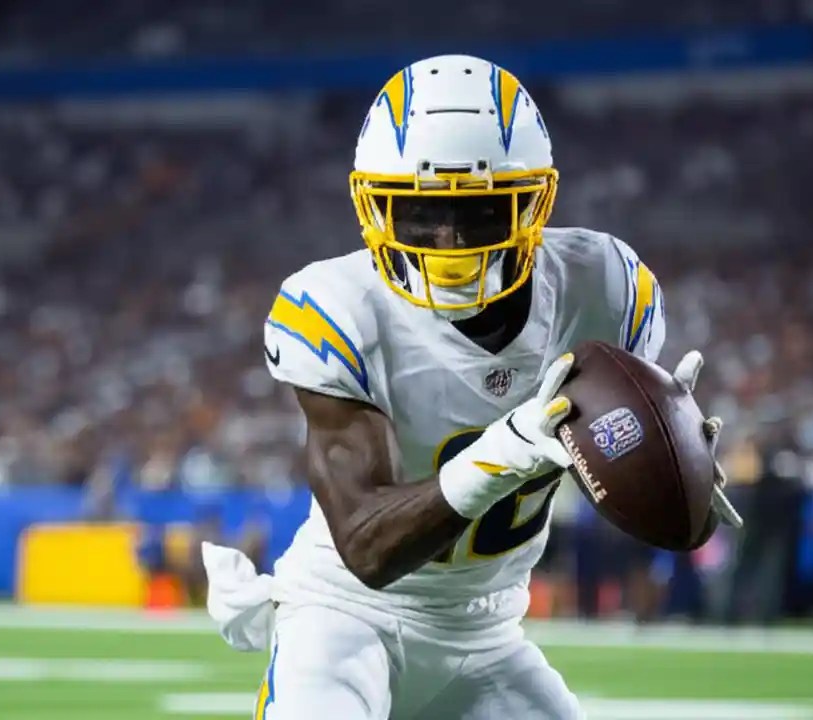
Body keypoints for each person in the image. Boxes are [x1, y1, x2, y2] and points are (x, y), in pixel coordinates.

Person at [202, 54, 741, 720]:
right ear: (374, 207)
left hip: (487, 633)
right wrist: (506, 451)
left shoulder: (602, 289)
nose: (449, 241)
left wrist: (673, 462)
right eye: (419, 212)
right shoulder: (338, 308)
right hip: (344, 615)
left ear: (535, 203)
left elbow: (662, 503)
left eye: (482, 211)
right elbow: (367, 547)